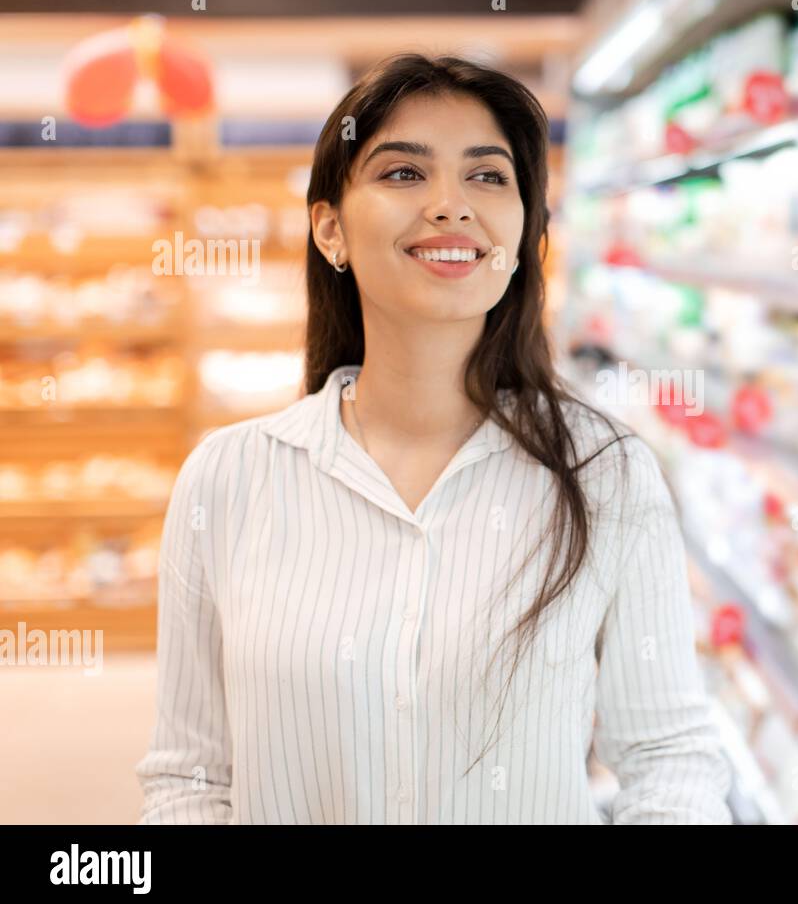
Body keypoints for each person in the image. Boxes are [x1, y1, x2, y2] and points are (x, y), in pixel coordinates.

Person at [134, 53, 733, 824]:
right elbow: (190, 779)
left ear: (523, 236)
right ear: (330, 229)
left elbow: (669, 758)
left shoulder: (604, 473)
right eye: (404, 175)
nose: (452, 206)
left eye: (488, 178)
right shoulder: (228, 479)